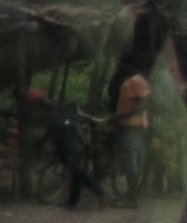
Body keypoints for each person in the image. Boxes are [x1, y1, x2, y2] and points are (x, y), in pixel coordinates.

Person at [28, 89, 104, 210]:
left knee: (75, 169)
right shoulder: (53, 108)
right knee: (73, 169)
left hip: (67, 139)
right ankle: (72, 201)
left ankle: (99, 192)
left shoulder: (50, 113)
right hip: (66, 138)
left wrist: (39, 143)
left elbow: (50, 131)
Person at [112, 55, 151, 206]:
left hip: (133, 124)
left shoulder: (136, 81)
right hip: (129, 123)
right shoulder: (136, 81)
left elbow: (142, 105)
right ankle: (130, 194)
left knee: (131, 160)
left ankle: (132, 198)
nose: (118, 68)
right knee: (130, 158)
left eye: (120, 65)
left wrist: (120, 116)